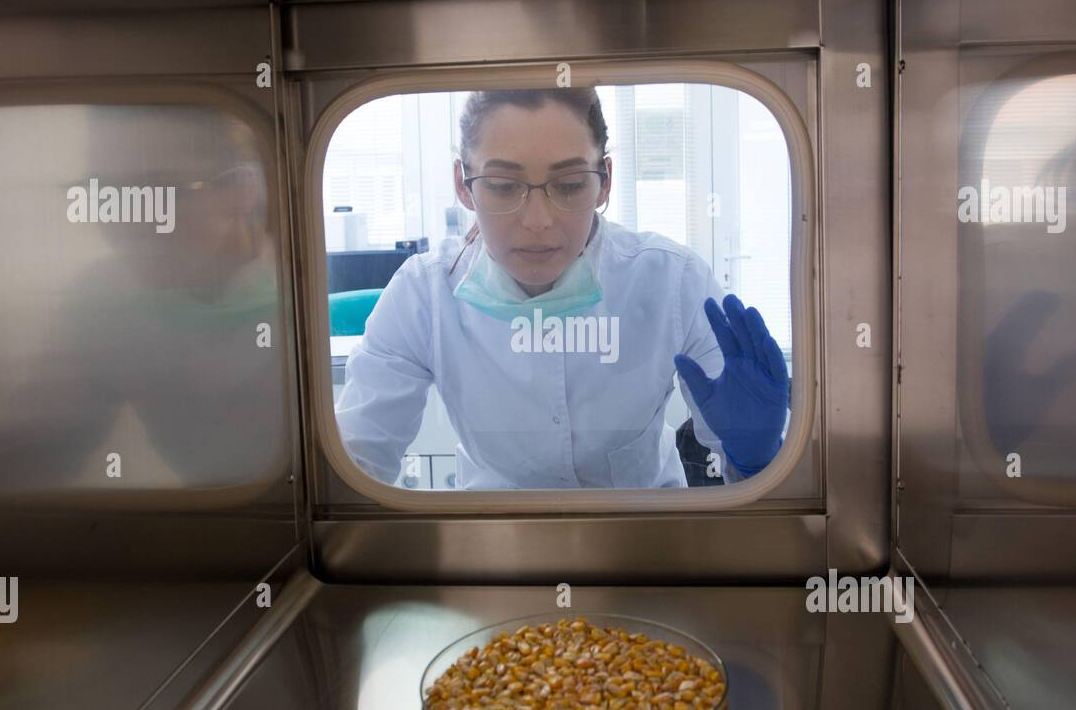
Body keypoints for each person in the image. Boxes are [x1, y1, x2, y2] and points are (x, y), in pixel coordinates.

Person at [334, 87, 789, 490]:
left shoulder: (674, 282)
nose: (537, 221)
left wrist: (759, 460)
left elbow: (761, 495)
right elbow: (354, 466)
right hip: (488, 553)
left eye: (569, 185)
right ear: (464, 185)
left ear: (604, 181)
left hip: (648, 551)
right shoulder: (422, 295)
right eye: (502, 186)